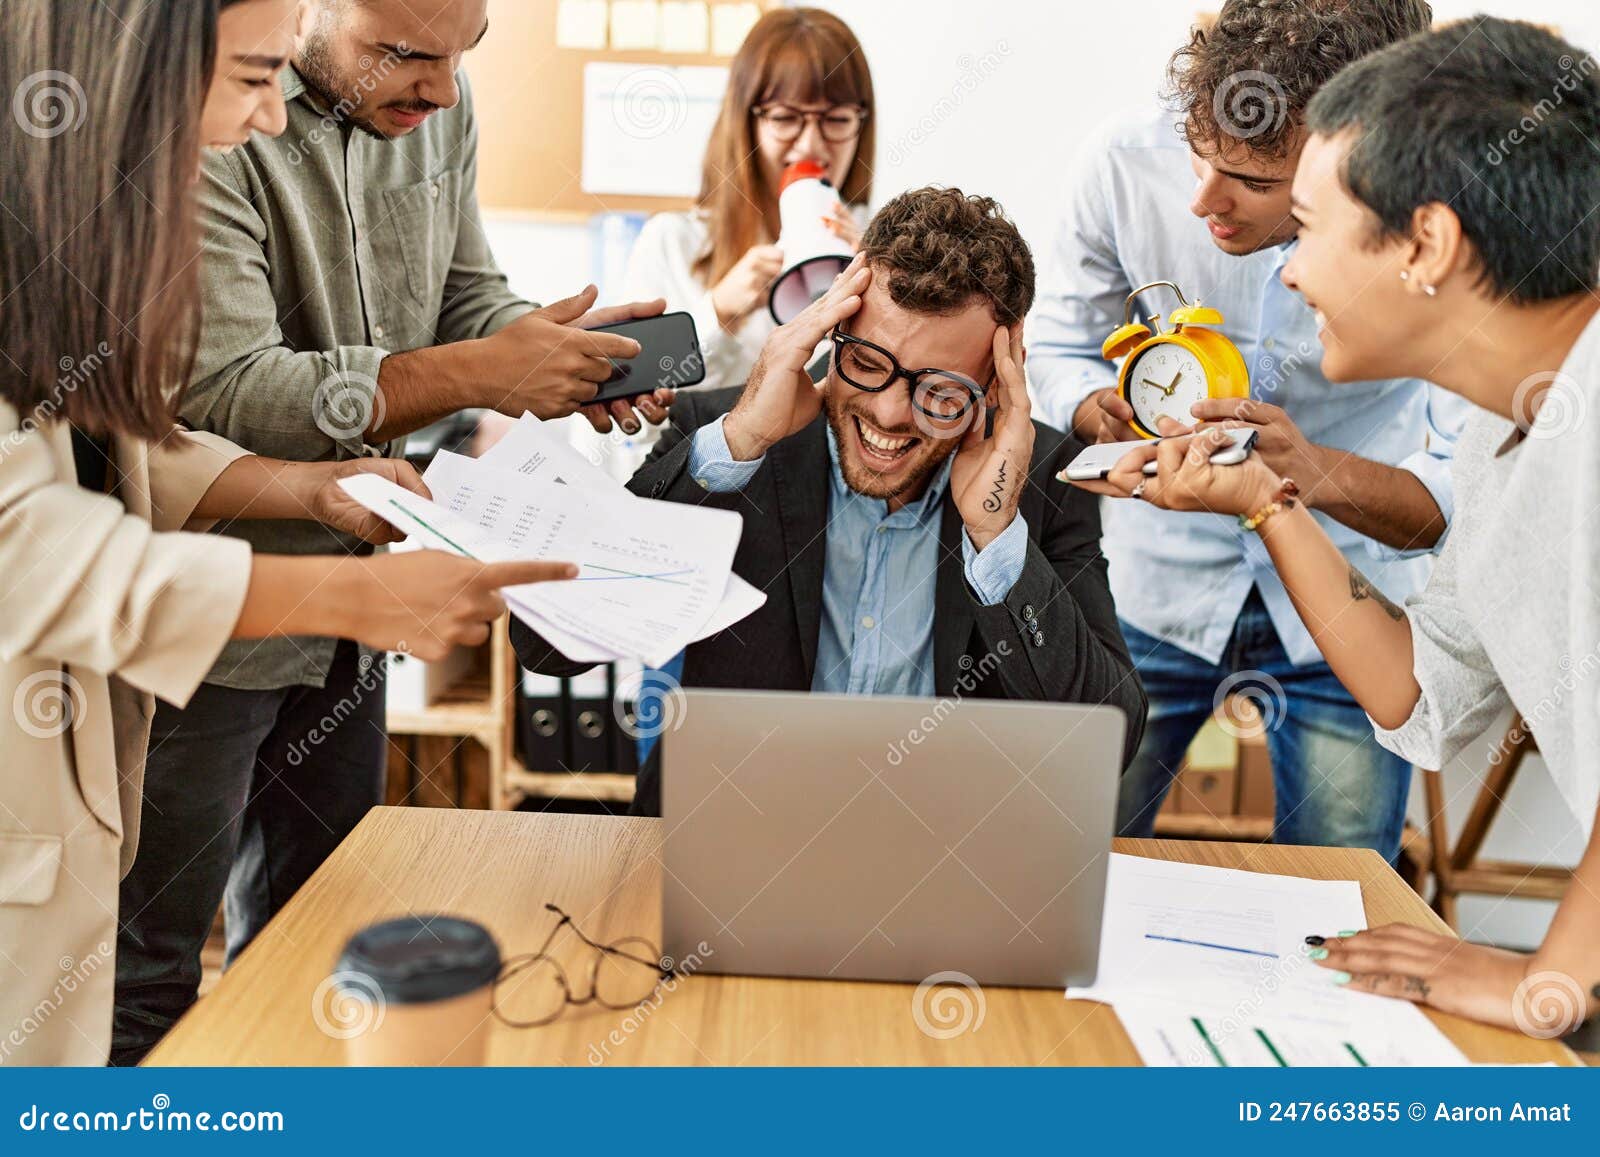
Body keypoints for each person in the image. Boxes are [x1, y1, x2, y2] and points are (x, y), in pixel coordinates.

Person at [0, 0, 573, 1066]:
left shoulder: (88, 213)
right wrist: (354, 592)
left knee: (312, 933)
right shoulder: (93, 200)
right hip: (147, 688)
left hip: (303, 605)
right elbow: (40, 542)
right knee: (135, 980)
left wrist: (307, 493)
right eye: (253, 75)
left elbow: (126, 447)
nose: (271, 119)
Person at [108, 0, 669, 1064]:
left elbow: (464, 298)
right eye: (404, 55)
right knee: (148, 971)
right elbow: (228, 388)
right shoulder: (215, 123)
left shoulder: (437, 103)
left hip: (368, 591)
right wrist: (479, 372)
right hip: (214, 613)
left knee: (327, 939)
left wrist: (550, 354)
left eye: (463, 56)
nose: (443, 90)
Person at [1097, 17, 1599, 1038]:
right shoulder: (1503, 445)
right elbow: (1413, 687)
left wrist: (1547, 976)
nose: (1287, 270)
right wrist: (1266, 503)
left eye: (1311, 225)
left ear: (1425, 244)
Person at [516, 187, 1148, 816]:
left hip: (938, 859)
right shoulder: (729, 440)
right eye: (870, 362)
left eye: (941, 388)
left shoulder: (1038, 479)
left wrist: (996, 535)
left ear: (996, 379)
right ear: (833, 328)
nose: (891, 412)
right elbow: (547, 646)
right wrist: (737, 445)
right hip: (732, 838)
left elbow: (1107, 739)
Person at [1030, 0, 1469, 860]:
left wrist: (1303, 472)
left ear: (1358, 158)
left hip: (1349, 605)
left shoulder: (1444, 231)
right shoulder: (1125, 160)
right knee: (1070, 872)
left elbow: (1448, 502)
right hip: (1153, 593)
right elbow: (1055, 339)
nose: (1201, 202)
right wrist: (1097, 410)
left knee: (1335, 900)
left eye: (1259, 184)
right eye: (1198, 154)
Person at [622, 7, 873, 397]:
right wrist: (718, 314)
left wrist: (885, 298)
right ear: (747, 121)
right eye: (786, 118)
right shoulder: (673, 243)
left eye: (836, 119)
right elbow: (630, 404)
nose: (810, 144)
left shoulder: (878, 243)